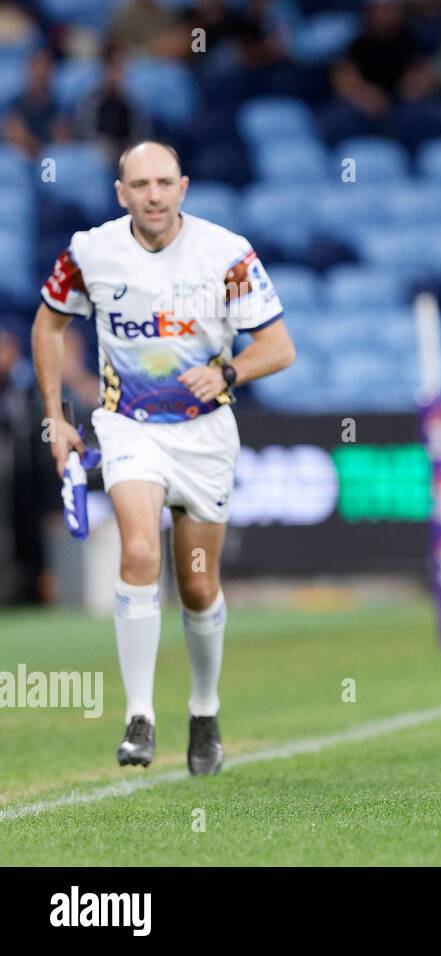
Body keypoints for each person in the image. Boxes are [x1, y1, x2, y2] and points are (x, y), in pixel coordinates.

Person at [30, 140, 295, 775]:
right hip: (129, 427)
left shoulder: (226, 253)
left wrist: (228, 370)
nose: (153, 194)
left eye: (164, 182)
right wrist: (56, 416)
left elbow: (279, 348)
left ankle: (204, 711)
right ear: (121, 193)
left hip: (204, 434)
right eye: (140, 184)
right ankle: (140, 716)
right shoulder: (91, 251)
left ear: (183, 187)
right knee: (140, 551)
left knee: (199, 586)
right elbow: (47, 324)